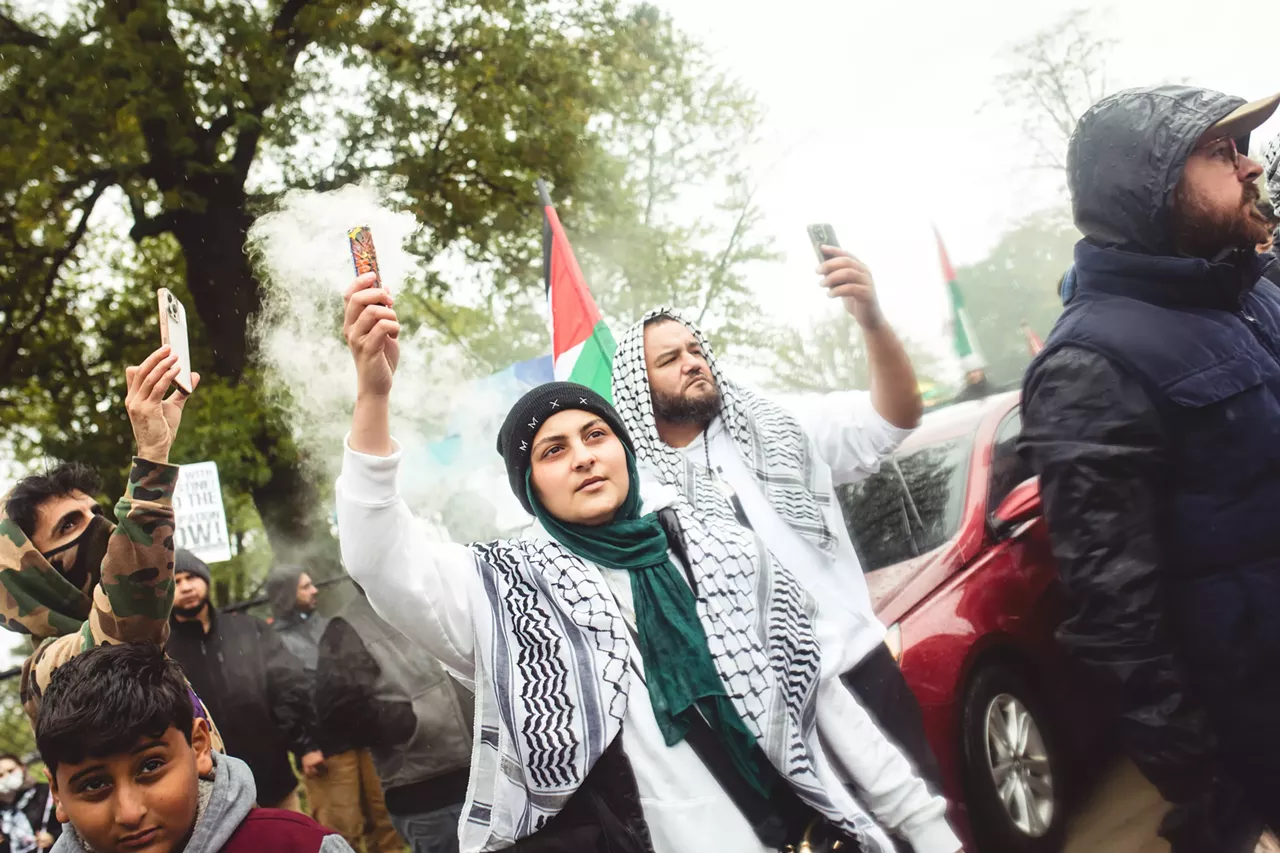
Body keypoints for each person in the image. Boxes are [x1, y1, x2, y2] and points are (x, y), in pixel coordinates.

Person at [337, 271, 960, 853]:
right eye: (553, 450)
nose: (583, 457)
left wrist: (927, 830)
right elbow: (378, 556)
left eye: (596, 435)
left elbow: (822, 700)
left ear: (624, 452)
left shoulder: (719, 548)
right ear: (529, 487)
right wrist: (372, 394)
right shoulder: (509, 591)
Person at [1019, 84, 1280, 852]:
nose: (1251, 166)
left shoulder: (1256, 291)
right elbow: (1118, 627)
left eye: (1244, 148)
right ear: (1150, 181)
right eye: (1221, 152)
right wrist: (1222, 813)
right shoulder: (1089, 365)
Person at [611, 272, 943, 796]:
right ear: (637, 385)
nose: (692, 361)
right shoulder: (644, 494)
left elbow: (896, 418)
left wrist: (873, 322)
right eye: (669, 359)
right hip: (771, 715)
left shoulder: (780, 425)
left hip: (863, 673)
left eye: (695, 348)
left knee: (925, 827)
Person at [0, 347, 217, 738]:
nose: (99, 526)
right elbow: (123, 632)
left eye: (93, 512)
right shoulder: (46, 672)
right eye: (68, 526)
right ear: (34, 575)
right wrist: (152, 461)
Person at [35, 643, 355, 853]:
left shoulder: (299, 847)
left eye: (150, 767)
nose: (130, 813)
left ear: (198, 746)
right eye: (94, 784)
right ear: (57, 793)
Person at [165, 550, 324, 813]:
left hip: (272, 779)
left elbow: (286, 689)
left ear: (205, 579)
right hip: (209, 793)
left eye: (191, 577)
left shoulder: (249, 630)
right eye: (176, 581)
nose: (185, 587)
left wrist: (305, 746)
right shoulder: (162, 648)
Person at [315, 586, 471, 853]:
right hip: (429, 795)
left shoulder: (436, 598)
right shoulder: (347, 629)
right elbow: (339, 712)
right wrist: (412, 722)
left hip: (488, 777)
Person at [268, 568, 404, 853]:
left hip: (365, 740)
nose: (314, 590)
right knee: (342, 829)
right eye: (305, 587)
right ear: (286, 593)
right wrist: (305, 746)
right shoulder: (275, 640)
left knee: (387, 820)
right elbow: (283, 698)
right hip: (326, 750)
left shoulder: (331, 625)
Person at [0, 753, 58, 852]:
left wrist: (53, 836)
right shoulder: (3, 808)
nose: (7, 777)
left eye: (11, 771)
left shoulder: (47, 792)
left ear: (22, 768)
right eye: (1, 775)